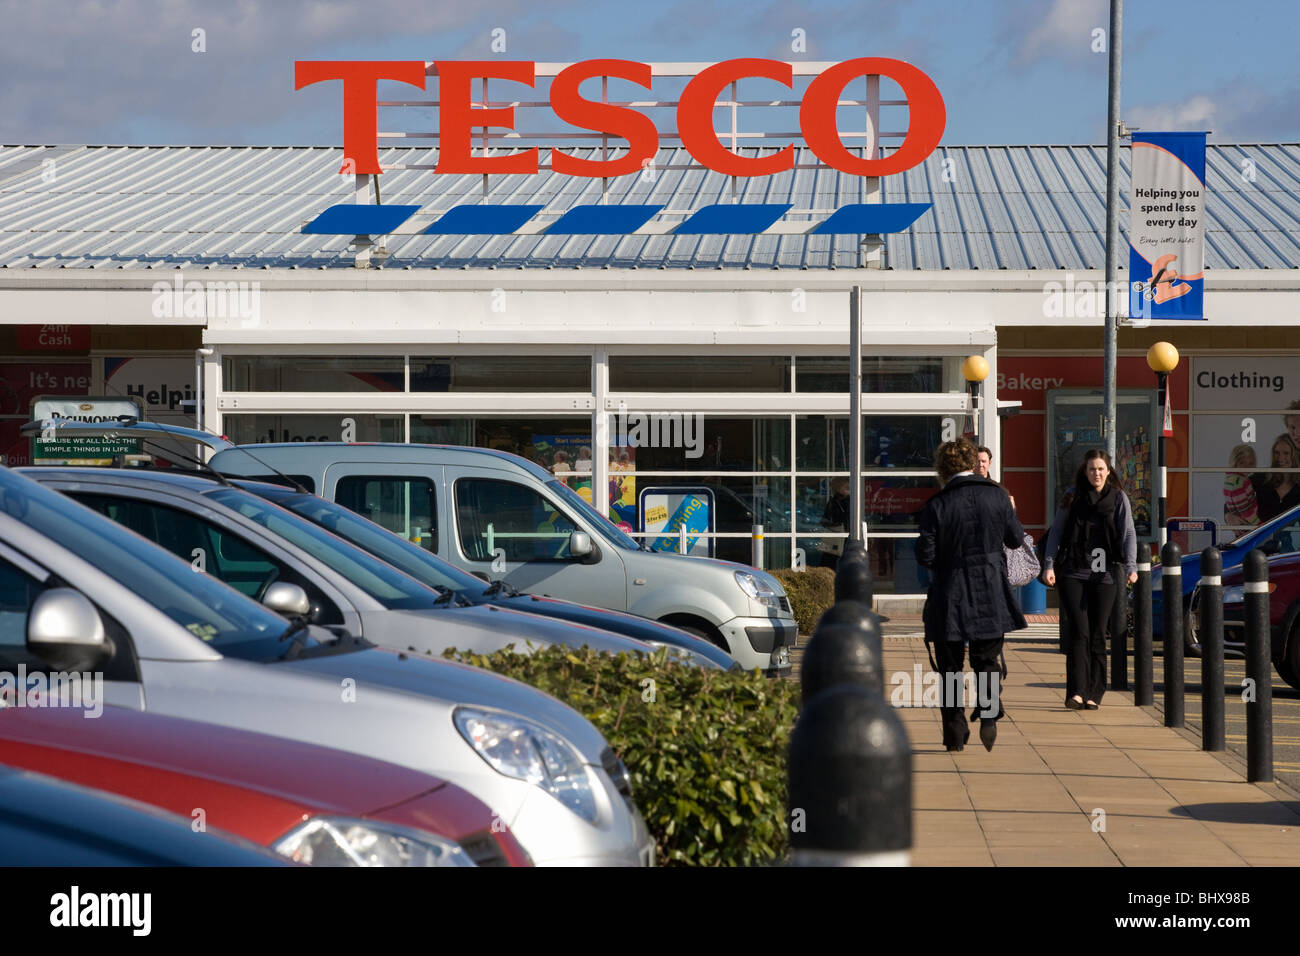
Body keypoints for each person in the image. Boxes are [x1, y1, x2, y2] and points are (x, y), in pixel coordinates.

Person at [917, 439, 1028, 753]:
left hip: (950, 592)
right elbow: (1016, 539)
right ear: (972, 463)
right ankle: (990, 711)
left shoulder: (937, 504)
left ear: (943, 468)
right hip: (991, 589)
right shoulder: (998, 496)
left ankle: (954, 732)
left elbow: (925, 555)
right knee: (986, 658)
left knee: (950, 666)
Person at [1043, 450, 1138, 711]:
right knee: (1079, 633)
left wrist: (1131, 566)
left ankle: (1095, 691)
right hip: (1074, 571)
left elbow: (1129, 532)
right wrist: (1049, 565)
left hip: (1105, 574)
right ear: (1084, 472)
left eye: (1100, 469)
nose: (1096, 473)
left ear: (1108, 471)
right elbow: (1057, 532)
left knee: (1097, 633)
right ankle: (1076, 691)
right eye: (1091, 469)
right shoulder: (1072, 497)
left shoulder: (1118, 498)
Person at [1254, 434, 1300, 522]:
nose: (1280, 458)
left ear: (1295, 455)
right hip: (1261, 535)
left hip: (1291, 535)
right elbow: (1234, 496)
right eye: (1277, 453)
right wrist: (1228, 515)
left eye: (1286, 453)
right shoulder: (1261, 477)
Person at [1222, 443, 1260, 529]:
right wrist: (1259, 525)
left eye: (1251, 463)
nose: (1247, 467)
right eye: (1242, 463)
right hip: (1248, 525)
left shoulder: (1235, 479)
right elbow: (1245, 511)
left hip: (1247, 523)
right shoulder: (1237, 482)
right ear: (1234, 462)